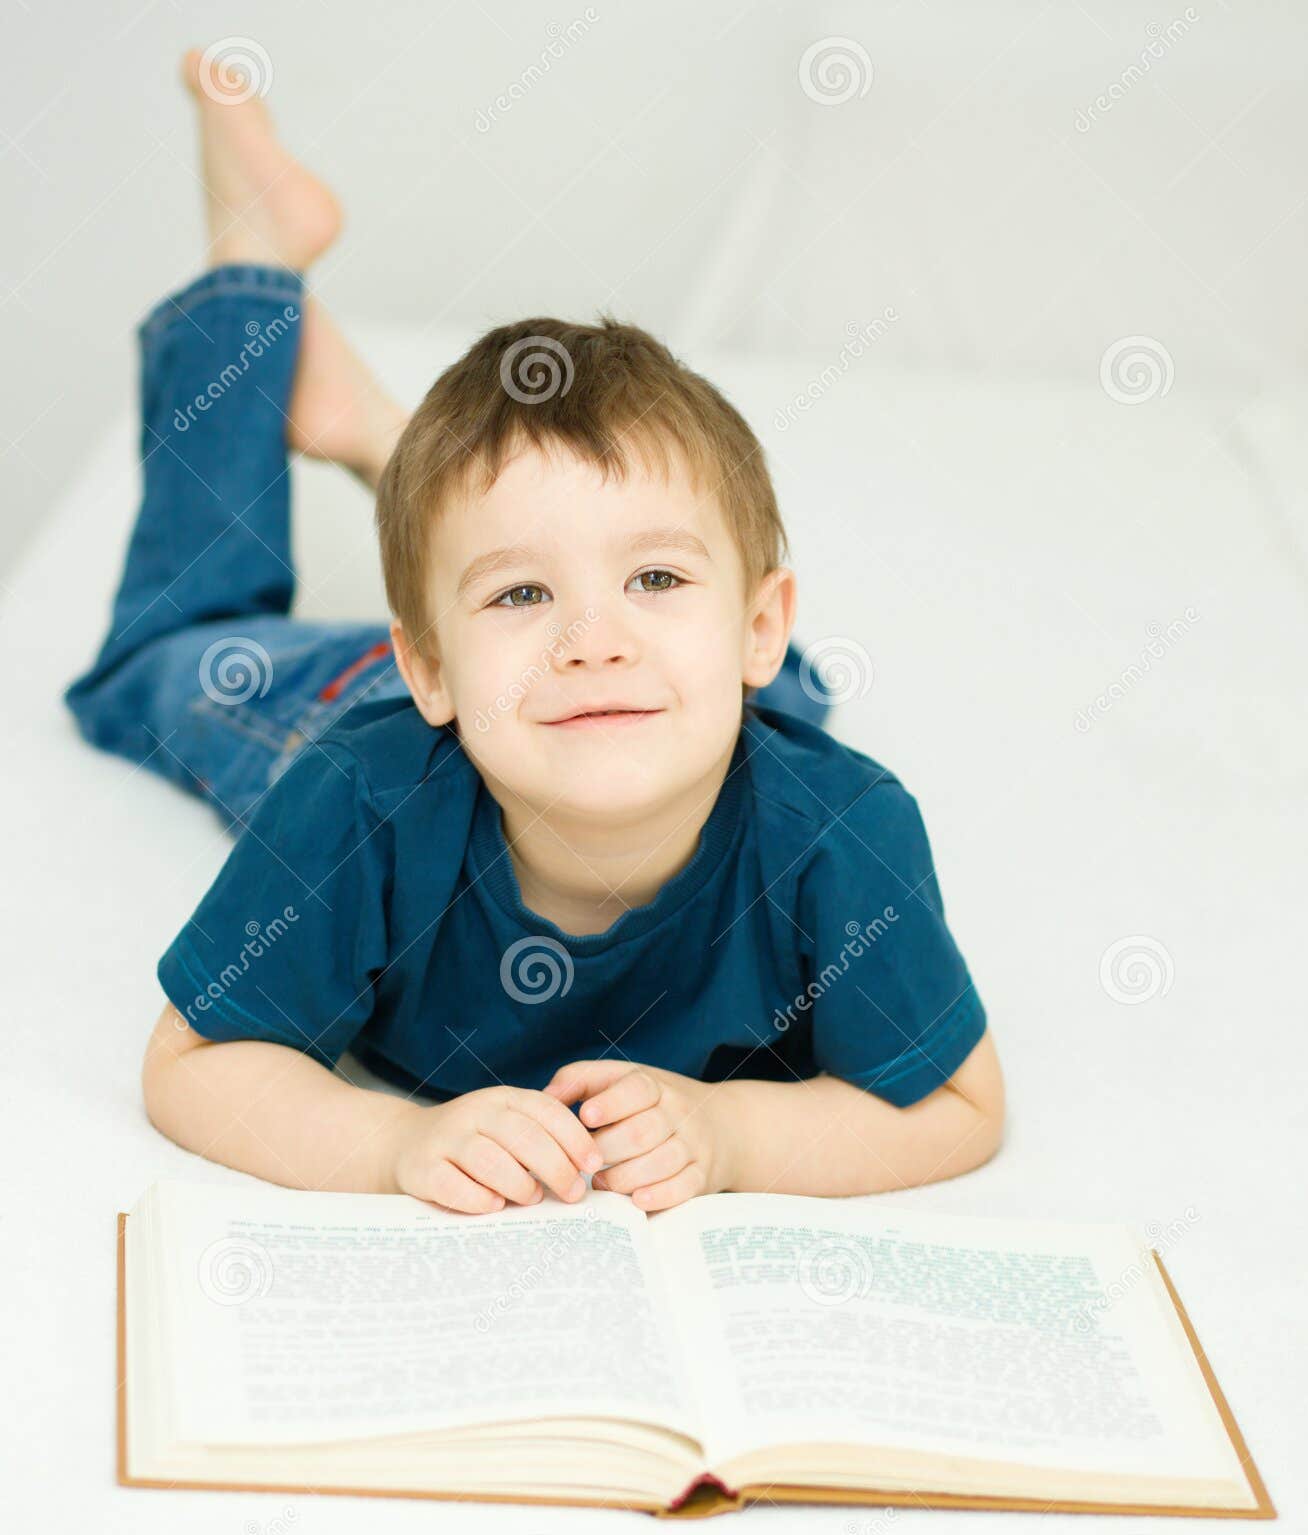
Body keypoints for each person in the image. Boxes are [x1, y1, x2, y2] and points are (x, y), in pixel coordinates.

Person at [64, 50, 1004, 1217]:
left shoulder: (841, 831)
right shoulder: (357, 800)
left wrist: (733, 1132)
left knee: (774, 695)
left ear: (761, 620)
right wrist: (390, 1145)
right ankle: (258, 270)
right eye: (521, 597)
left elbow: (959, 1104)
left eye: (652, 573)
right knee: (162, 666)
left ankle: (416, 463)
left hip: (684, 701)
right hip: (371, 705)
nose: (591, 641)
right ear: (428, 662)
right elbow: (193, 1064)